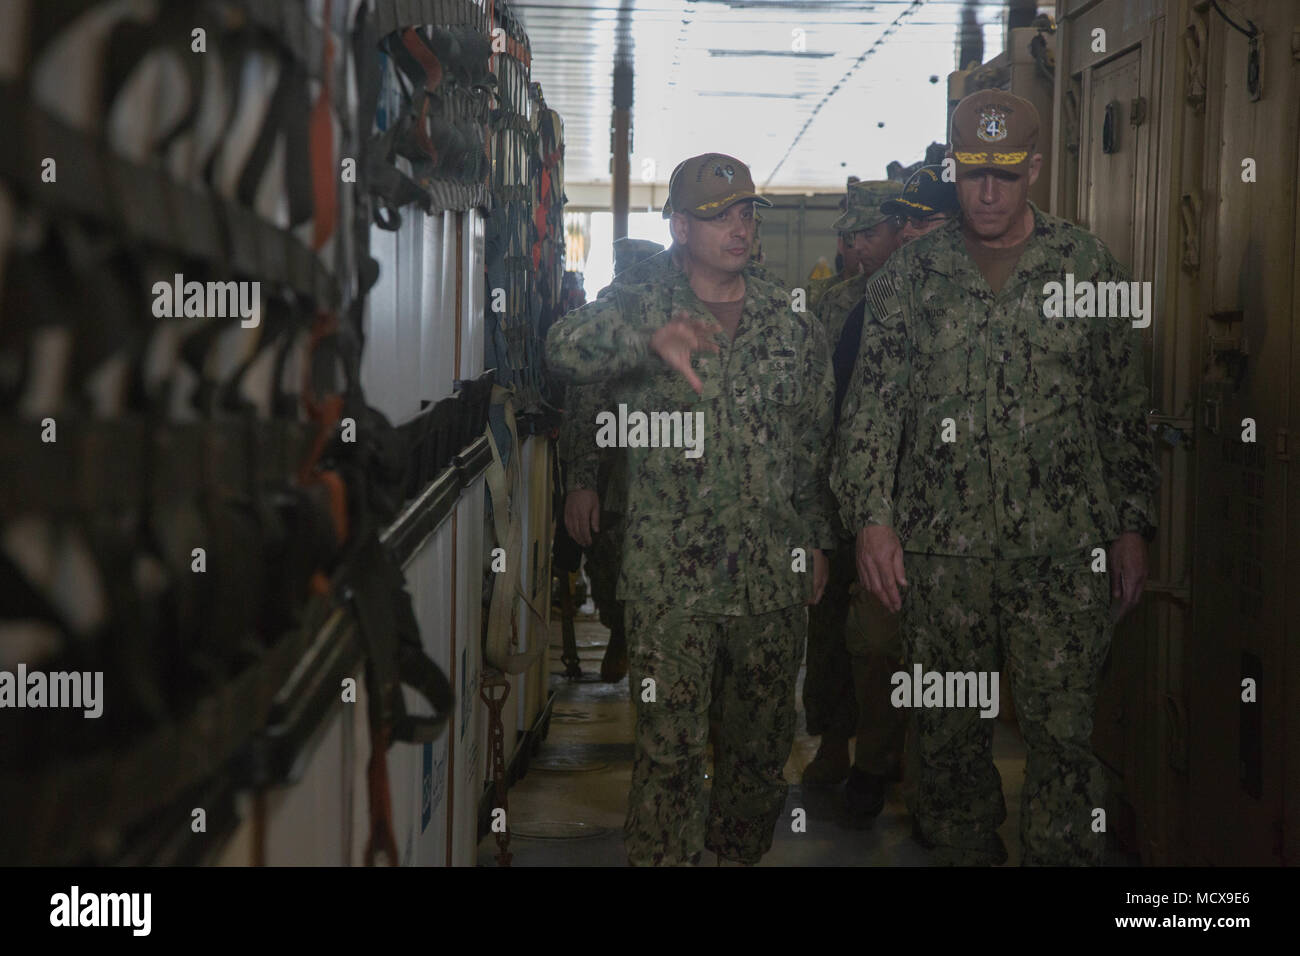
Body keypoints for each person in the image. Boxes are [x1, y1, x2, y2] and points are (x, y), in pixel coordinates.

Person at [833, 90, 1159, 866]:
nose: (986, 192)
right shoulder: (907, 279)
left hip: (1062, 561)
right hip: (941, 565)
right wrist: (872, 519)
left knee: (1064, 743)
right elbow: (871, 411)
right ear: (955, 167)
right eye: (973, 173)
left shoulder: (1085, 267)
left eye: (1005, 176)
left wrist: (1131, 525)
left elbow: (1123, 409)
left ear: (1035, 169)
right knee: (945, 752)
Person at [546, 152, 836, 866]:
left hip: (769, 576)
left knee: (760, 754)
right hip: (669, 580)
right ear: (679, 225)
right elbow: (562, 350)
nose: (738, 228)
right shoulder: (639, 298)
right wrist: (643, 342)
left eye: (745, 213)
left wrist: (817, 541)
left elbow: (811, 442)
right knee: (668, 755)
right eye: (717, 216)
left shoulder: (787, 317)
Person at [828, 164, 961, 826]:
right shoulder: (875, 305)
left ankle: (935, 788)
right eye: (902, 223)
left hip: (965, 526)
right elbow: (850, 418)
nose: (908, 234)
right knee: (879, 646)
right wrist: (860, 515)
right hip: (889, 514)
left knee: (952, 662)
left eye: (923, 222)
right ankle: (873, 766)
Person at [799, 178, 903, 792]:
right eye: (854, 234)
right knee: (834, 625)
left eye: (872, 232)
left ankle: (890, 753)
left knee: (893, 631)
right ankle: (834, 742)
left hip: (908, 497)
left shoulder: (924, 301)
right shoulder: (834, 304)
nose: (860, 245)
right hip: (841, 494)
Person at [560, 239, 665, 681]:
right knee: (608, 567)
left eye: (634, 267)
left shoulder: (676, 311)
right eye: (622, 267)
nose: (627, 276)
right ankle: (622, 633)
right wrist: (583, 479)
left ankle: (642, 650)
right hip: (616, 466)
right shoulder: (607, 315)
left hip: (668, 472)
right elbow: (587, 400)